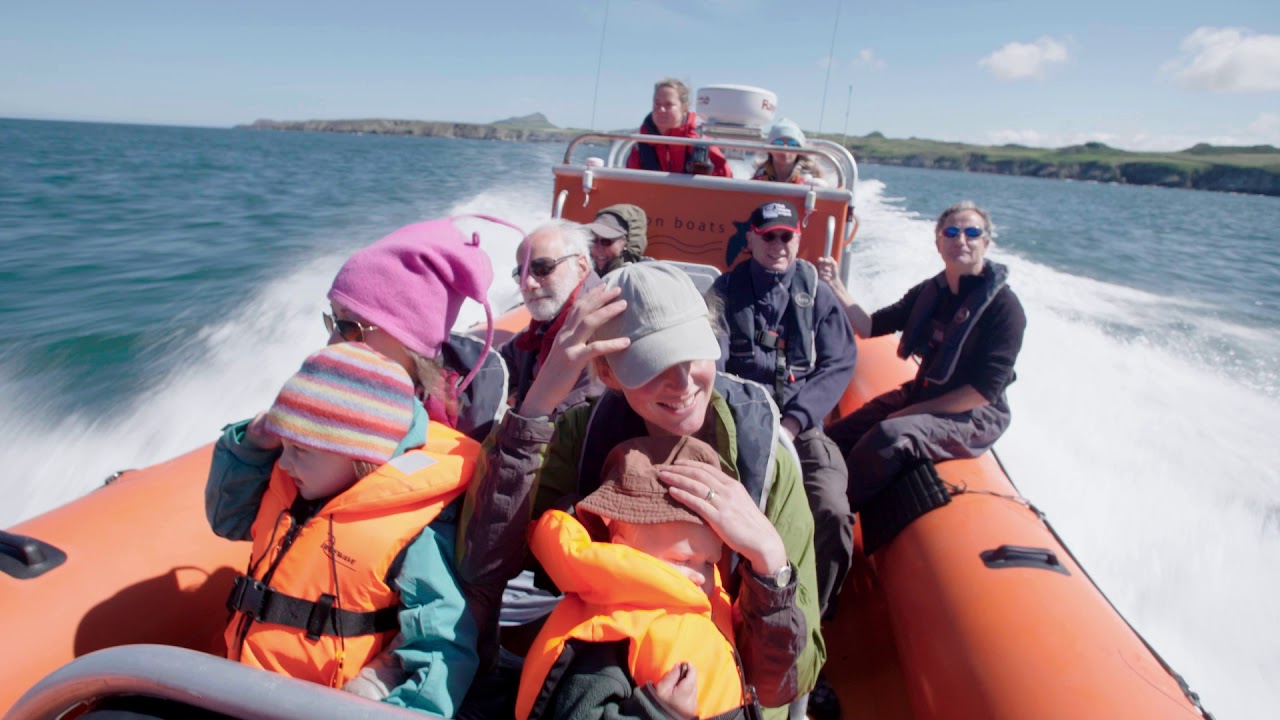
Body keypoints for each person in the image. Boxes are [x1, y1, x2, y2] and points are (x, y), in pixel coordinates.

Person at [460, 261, 824, 720]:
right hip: (600, 682)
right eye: (654, 365)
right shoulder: (581, 435)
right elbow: (481, 564)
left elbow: (784, 683)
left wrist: (769, 564)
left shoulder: (763, 456)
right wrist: (538, 402)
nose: (683, 383)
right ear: (609, 375)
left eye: (693, 354)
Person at [206, 342, 481, 717]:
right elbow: (228, 519)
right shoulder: (294, 480)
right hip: (242, 688)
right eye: (282, 444)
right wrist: (252, 446)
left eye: (300, 449)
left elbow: (440, 650)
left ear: (360, 457)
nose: (284, 462)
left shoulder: (417, 534)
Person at [515, 435, 765, 720]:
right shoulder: (611, 631)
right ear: (622, 549)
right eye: (682, 559)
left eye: (709, 563)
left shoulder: (702, 607)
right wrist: (658, 713)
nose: (699, 576)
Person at [819, 200, 1027, 510]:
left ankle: (834, 513)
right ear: (938, 242)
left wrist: (912, 412)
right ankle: (810, 490)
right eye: (952, 232)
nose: (961, 240)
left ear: (986, 242)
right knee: (834, 435)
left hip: (973, 414)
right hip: (923, 394)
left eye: (972, 233)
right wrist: (835, 284)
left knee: (889, 435)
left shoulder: (1005, 309)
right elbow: (869, 326)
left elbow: (983, 393)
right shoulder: (931, 293)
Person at [710, 200, 857, 621]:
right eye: (767, 235)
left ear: (797, 239)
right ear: (751, 239)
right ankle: (726, 607)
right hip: (737, 419)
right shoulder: (724, 293)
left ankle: (813, 613)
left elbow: (839, 363)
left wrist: (793, 422)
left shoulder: (818, 295)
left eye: (785, 236)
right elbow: (714, 362)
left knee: (830, 506)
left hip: (800, 425)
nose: (777, 244)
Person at [326, 216, 513, 442]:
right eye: (333, 321)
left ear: (409, 341)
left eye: (350, 328)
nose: (332, 343)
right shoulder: (323, 394)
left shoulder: (467, 428)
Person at [502, 219, 606, 415]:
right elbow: (501, 364)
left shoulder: (600, 335)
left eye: (542, 268)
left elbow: (571, 424)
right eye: (521, 274)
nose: (528, 283)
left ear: (581, 265)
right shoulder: (541, 329)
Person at [626, 78, 731, 178]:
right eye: (657, 104)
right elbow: (630, 182)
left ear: (684, 108)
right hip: (654, 195)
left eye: (668, 105)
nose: (661, 109)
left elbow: (725, 178)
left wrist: (708, 171)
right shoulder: (643, 141)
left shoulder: (699, 140)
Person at [583, 203, 649, 276]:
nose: (598, 248)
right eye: (593, 239)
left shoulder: (638, 280)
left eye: (606, 241)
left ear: (628, 243)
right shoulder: (581, 273)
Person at [752, 119, 823, 185]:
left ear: (800, 150)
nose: (785, 148)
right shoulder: (758, 179)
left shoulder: (809, 181)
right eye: (778, 143)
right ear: (769, 149)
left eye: (792, 144)